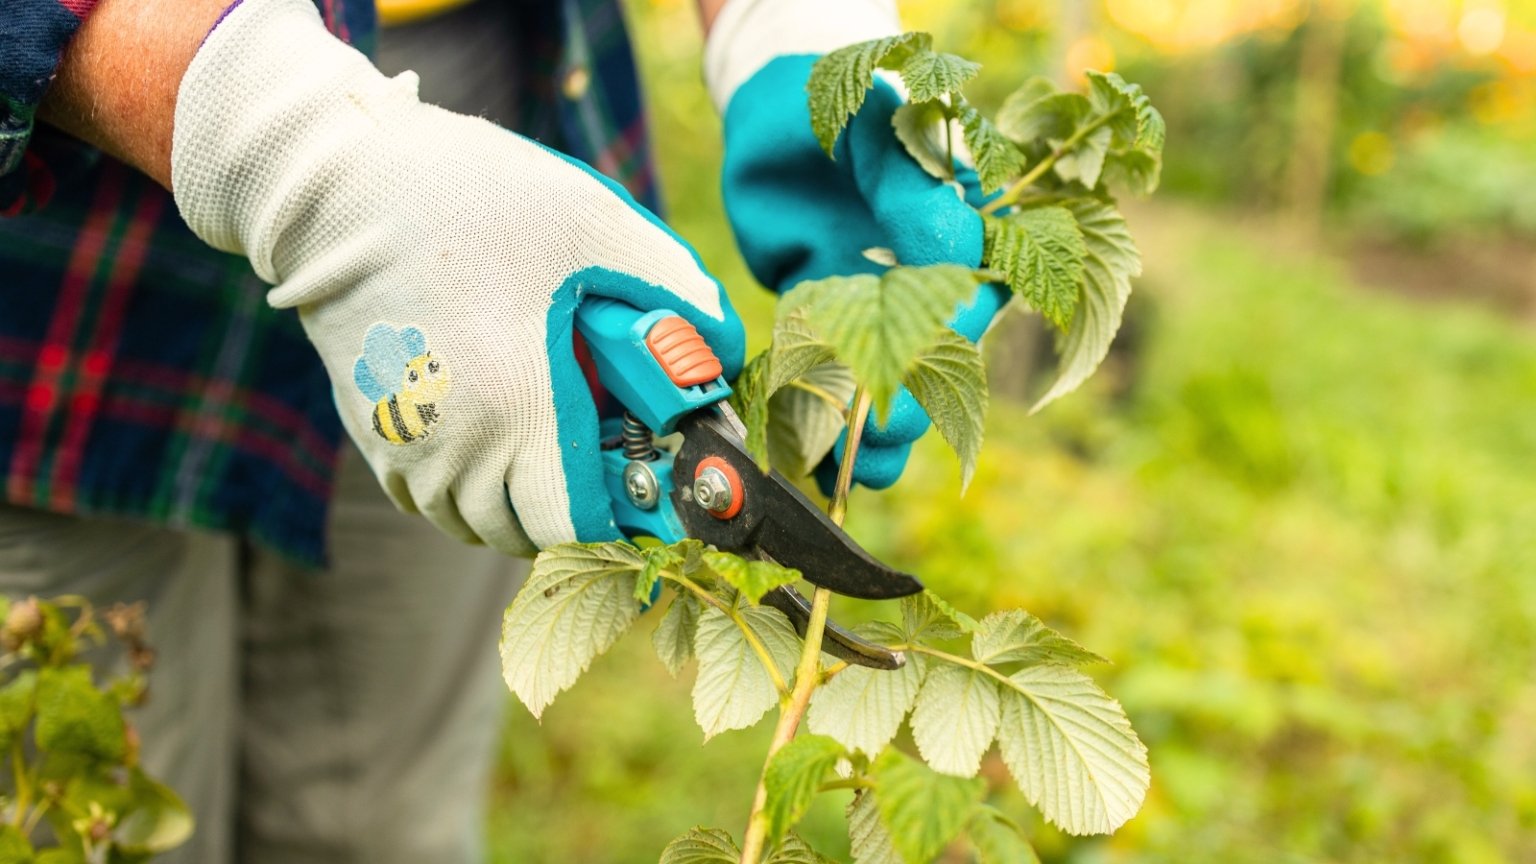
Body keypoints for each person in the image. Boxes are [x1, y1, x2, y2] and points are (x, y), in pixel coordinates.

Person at [0, 0, 996, 860]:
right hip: (63, 201)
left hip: (481, 126)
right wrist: (283, 144)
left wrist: (793, 30)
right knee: (85, 822)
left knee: (383, 826)